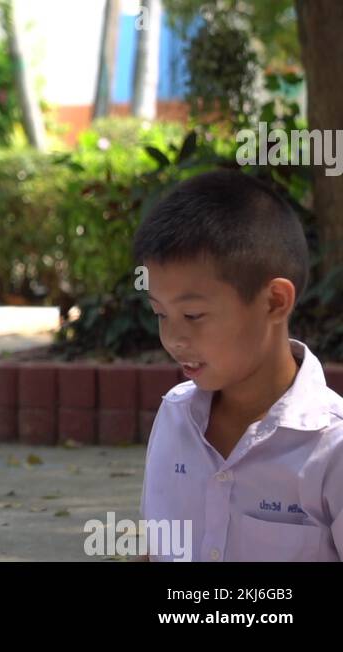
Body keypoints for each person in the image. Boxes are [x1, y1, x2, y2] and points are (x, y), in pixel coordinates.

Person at [136, 170, 343, 561]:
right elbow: (153, 548)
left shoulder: (332, 447)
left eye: (194, 315)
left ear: (274, 302)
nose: (174, 339)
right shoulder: (176, 416)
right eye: (160, 314)